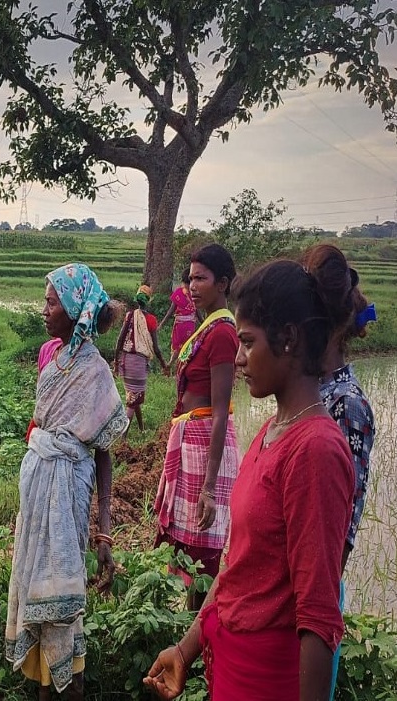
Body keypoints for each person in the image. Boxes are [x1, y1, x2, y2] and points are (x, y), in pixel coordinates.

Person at [144, 258, 355, 701]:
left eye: (247, 343)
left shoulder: (315, 450)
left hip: (266, 679)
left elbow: (317, 617)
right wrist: (186, 650)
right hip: (231, 664)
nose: (238, 358)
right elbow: (237, 566)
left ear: (289, 340)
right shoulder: (271, 431)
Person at [5, 263, 128, 700]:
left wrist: (104, 529)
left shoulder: (94, 372)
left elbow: (104, 452)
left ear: (74, 308)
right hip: (38, 494)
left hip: (67, 497)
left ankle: (70, 687)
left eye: (51, 302)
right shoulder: (52, 360)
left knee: (62, 606)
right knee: (40, 601)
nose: (43, 310)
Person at [301, 244, 375, 699]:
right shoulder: (308, 393)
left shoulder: (345, 406)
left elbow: (339, 534)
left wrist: (308, 612)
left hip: (310, 604)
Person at [153, 244, 239, 610]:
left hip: (207, 447)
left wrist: (209, 487)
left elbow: (220, 412)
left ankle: (197, 633)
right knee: (187, 545)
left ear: (222, 284)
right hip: (193, 442)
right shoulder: (207, 329)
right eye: (189, 278)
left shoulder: (221, 334)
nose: (191, 285)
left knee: (203, 549)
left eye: (200, 278)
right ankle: (187, 629)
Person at [113, 284, 168, 435]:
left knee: (133, 395)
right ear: (149, 301)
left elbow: (120, 340)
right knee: (133, 401)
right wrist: (164, 364)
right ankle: (122, 438)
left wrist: (116, 363)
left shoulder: (129, 316)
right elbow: (156, 348)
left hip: (126, 360)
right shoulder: (151, 320)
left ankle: (142, 427)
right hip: (138, 363)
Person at [159, 267, 197, 374]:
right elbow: (197, 312)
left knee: (177, 347)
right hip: (190, 325)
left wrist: (161, 324)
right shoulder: (195, 293)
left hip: (179, 326)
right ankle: (183, 368)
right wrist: (205, 322)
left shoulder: (179, 292)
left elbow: (171, 311)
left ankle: (170, 364)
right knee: (187, 346)